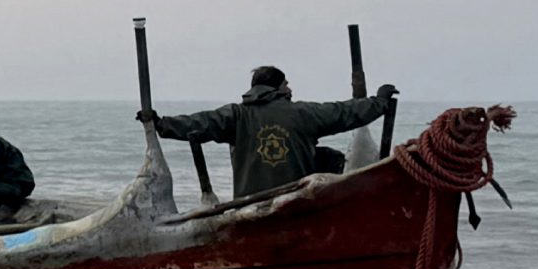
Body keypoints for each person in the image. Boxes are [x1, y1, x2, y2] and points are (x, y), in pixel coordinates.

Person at [142, 65, 395, 199]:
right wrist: (380, 102)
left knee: (326, 156)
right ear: (278, 88)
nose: (290, 88)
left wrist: (162, 124)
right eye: (287, 84)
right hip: (294, 200)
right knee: (333, 160)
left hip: (248, 203)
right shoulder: (302, 113)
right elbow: (345, 112)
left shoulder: (235, 116)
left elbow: (199, 123)